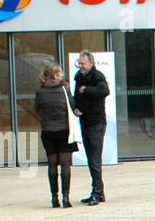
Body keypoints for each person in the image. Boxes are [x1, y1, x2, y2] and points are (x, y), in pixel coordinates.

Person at [72, 50, 109, 204]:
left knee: (95, 159)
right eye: (79, 63)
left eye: (83, 63)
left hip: (97, 122)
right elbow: (76, 95)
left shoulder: (97, 76)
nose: (80, 66)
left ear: (91, 63)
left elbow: (104, 91)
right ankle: (98, 192)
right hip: (84, 120)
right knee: (90, 159)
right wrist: (75, 107)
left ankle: (97, 192)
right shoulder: (79, 77)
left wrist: (86, 89)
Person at [34, 63, 73, 208]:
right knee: (65, 164)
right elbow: (73, 105)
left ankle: (54, 198)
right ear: (56, 75)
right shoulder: (65, 89)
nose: (62, 75)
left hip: (48, 131)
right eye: (60, 73)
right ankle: (66, 197)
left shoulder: (40, 91)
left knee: (52, 164)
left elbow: (37, 109)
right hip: (64, 130)